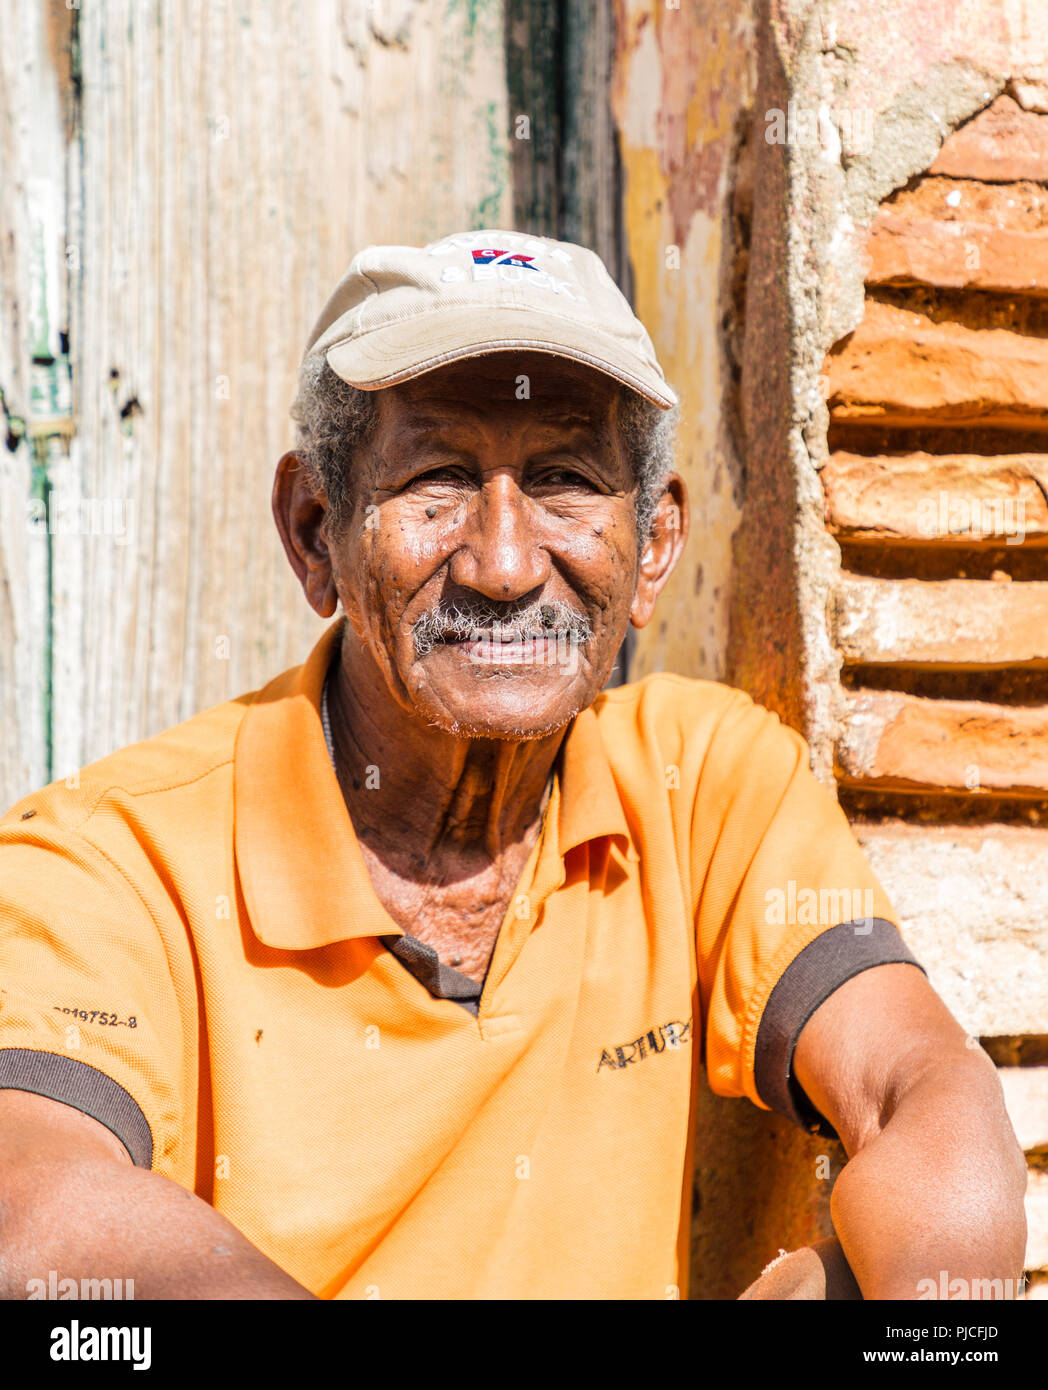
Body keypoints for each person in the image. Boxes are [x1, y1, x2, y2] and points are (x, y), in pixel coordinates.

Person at [0, 230, 1026, 1300]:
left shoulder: (699, 783)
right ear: (315, 533)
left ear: (654, 545)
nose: (503, 564)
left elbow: (922, 1091)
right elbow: (33, 1216)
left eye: (565, 482)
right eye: (437, 480)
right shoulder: (110, 858)